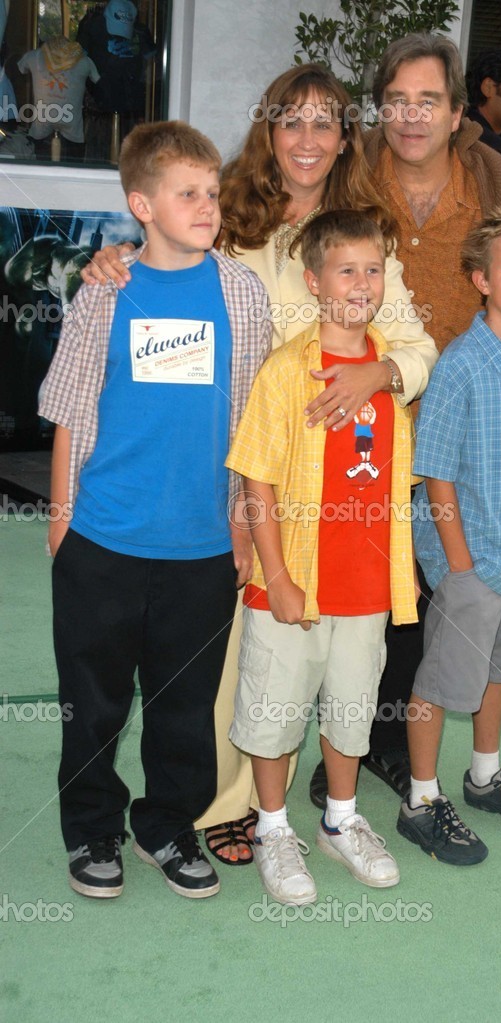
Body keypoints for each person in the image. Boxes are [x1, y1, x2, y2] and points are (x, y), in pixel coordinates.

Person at [79, 63, 437, 866]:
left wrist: (374, 374)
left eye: (325, 123)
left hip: (332, 483)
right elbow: (164, 255)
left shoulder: (364, 232)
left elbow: (416, 347)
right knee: (233, 643)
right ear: (268, 131)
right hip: (227, 466)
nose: (307, 140)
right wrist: (113, 262)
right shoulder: (228, 217)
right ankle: (225, 802)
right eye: (291, 120)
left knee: (319, 642)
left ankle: (318, 804)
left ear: (346, 136)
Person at [308, 32, 501, 807]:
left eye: (429, 100)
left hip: (477, 423)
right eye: (396, 100)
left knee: (458, 589)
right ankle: (382, 750)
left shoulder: (489, 172)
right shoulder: (355, 168)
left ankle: (436, 762)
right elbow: (277, 201)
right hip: (374, 413)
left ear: (458, 112)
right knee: (386, 596)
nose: (411, 116)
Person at [39, 120, 271, 899]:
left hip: (201, 547)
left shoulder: (241, 291)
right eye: (187, 193)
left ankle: (166, 827)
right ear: (142, 203)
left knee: (183, 707)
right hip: (103, 538)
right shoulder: (106, 289)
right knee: (95, 702)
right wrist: (62, 512)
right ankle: (93, 829)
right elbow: (71, 406)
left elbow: (249, 420)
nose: (207, 205)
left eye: (211, 192)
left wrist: (240, 522)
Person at [226, 209, 418, 904]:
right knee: (274, 709)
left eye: (373, 269)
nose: (362, 283)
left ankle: (341, 819)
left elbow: (399, 473)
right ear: (314, 281)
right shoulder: (285, 370)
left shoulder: (389, 377)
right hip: (295, 582)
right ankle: (274, 827)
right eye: (347, 269)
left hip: (365, 585)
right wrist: (274, 574)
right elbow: (257, 473)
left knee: (351, 709)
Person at [398, 205, 501, 865]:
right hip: (470, 555)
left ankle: (486, 775)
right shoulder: (459, 365)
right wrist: (460, 565)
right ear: (480, 280)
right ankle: (419, 798)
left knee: (499, 668)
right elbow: (434, 472)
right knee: (440, 680)